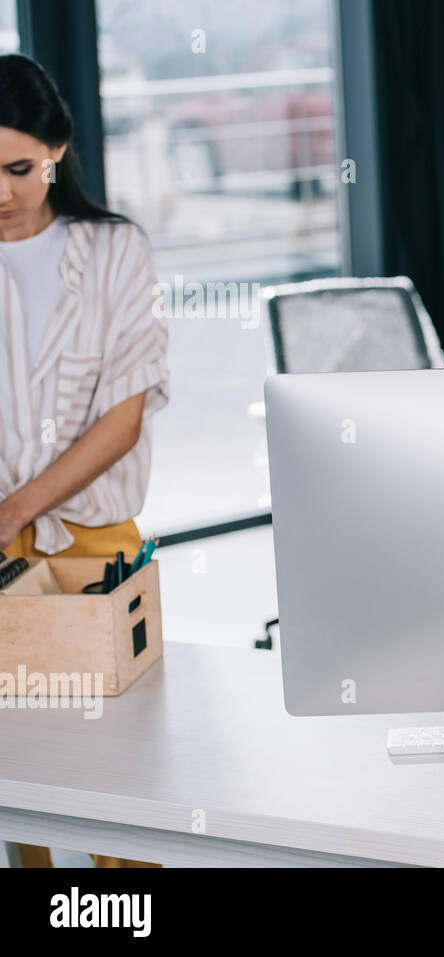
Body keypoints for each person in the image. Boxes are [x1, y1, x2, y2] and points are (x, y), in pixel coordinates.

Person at [0, 53, 169, 868]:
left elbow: (124, 417)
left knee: (122, 778)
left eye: (19, 168)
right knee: (23, 779)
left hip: (96, 552)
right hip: (1, 564)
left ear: (57, 150)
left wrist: (19, 505)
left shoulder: (113, 252)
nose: (2, 192)